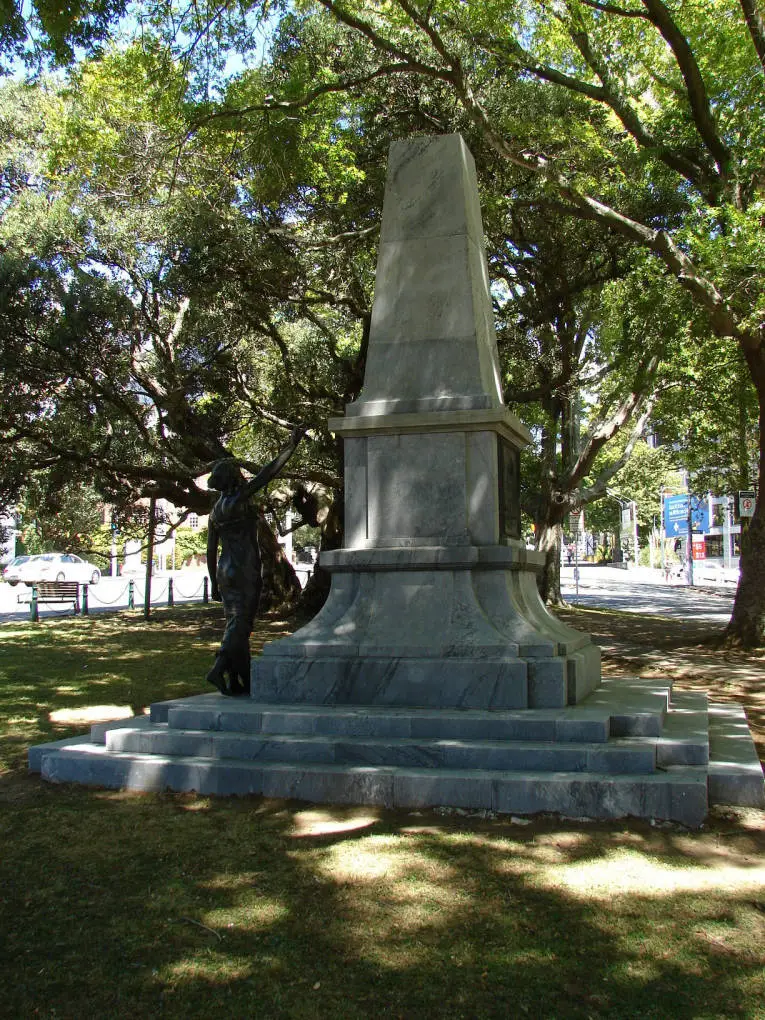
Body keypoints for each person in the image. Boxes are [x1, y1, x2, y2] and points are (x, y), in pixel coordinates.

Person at [205, 428, 304, 696]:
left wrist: (214, 582)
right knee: (242, 623)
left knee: (234, 622)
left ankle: (241, 679)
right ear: (233, 477)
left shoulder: (215, 510)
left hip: (225, 571)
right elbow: (267, 473)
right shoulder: (239, 498)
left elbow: (211, 550)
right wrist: (290, 446)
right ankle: (220, 664)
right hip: (245, 567)